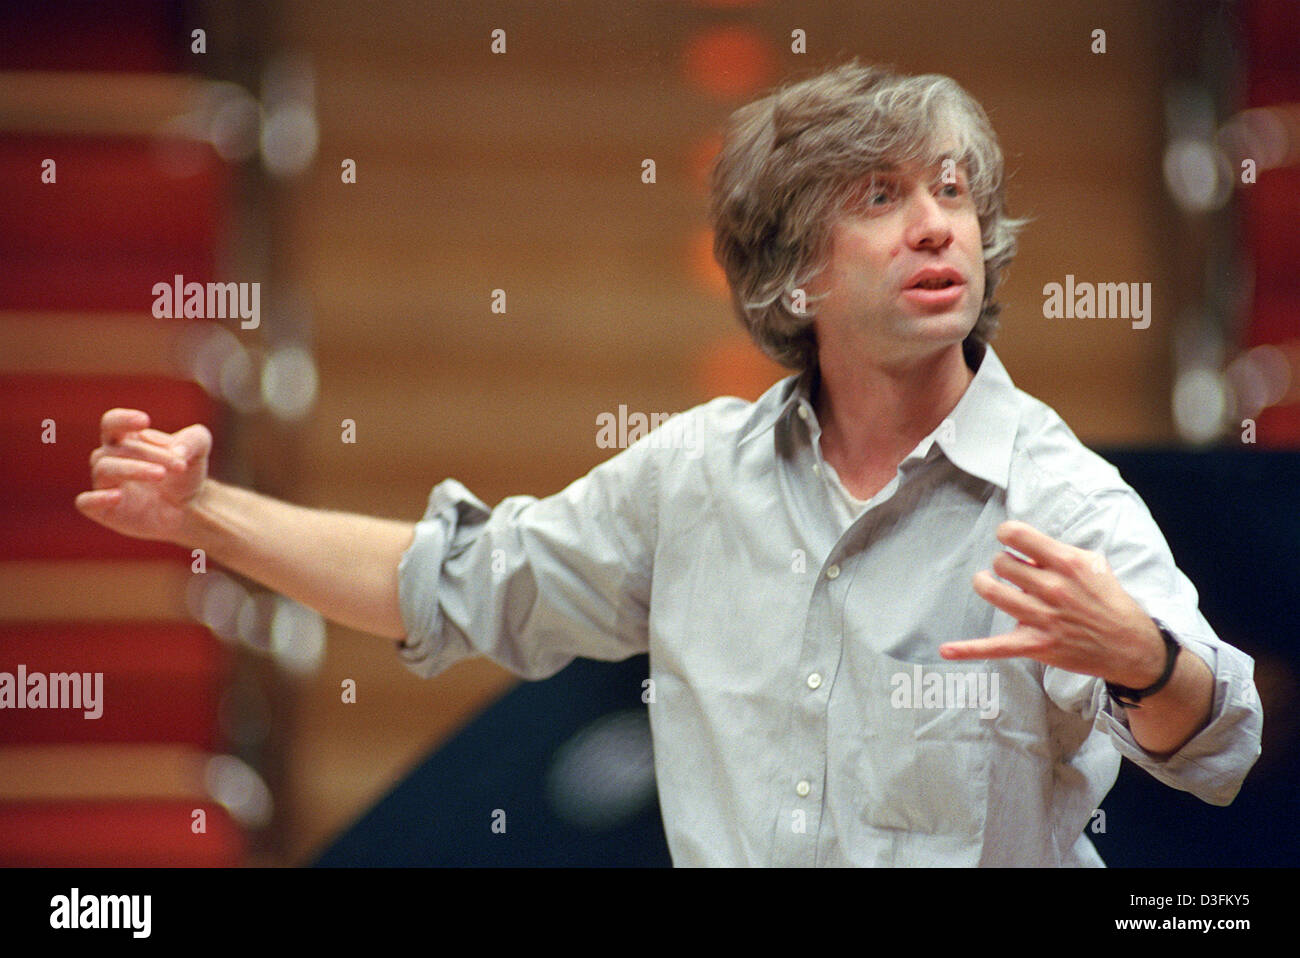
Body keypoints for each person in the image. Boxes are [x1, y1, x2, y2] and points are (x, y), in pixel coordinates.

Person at [78, 62, 1262, 866]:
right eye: (882, 196)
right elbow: (458, 582)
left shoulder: (1049, 489)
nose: (937, 222)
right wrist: (206, 511)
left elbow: (1220, 736)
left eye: (954, 192)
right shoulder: (696, 478)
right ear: (795, 277)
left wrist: (1143, 660)